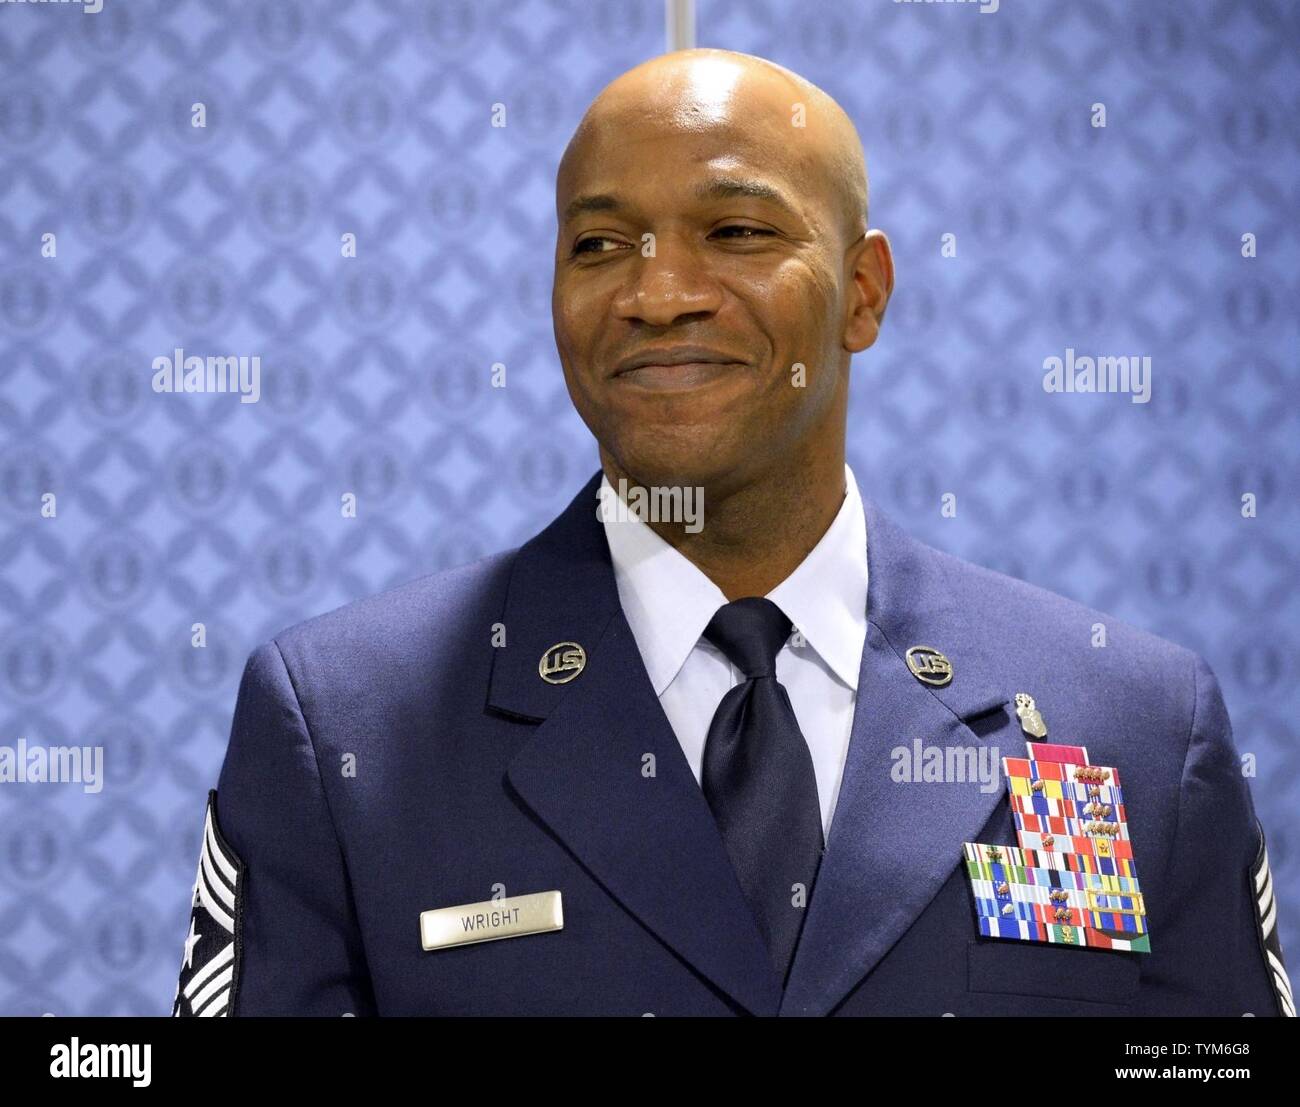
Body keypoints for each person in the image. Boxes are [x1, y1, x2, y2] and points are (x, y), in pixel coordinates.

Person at [172, 48, 1292, 1017]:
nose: (658, 294)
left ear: (862, 291)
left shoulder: (1134, 726)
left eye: (736, 230)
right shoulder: (343, 730)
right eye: (599, 245)